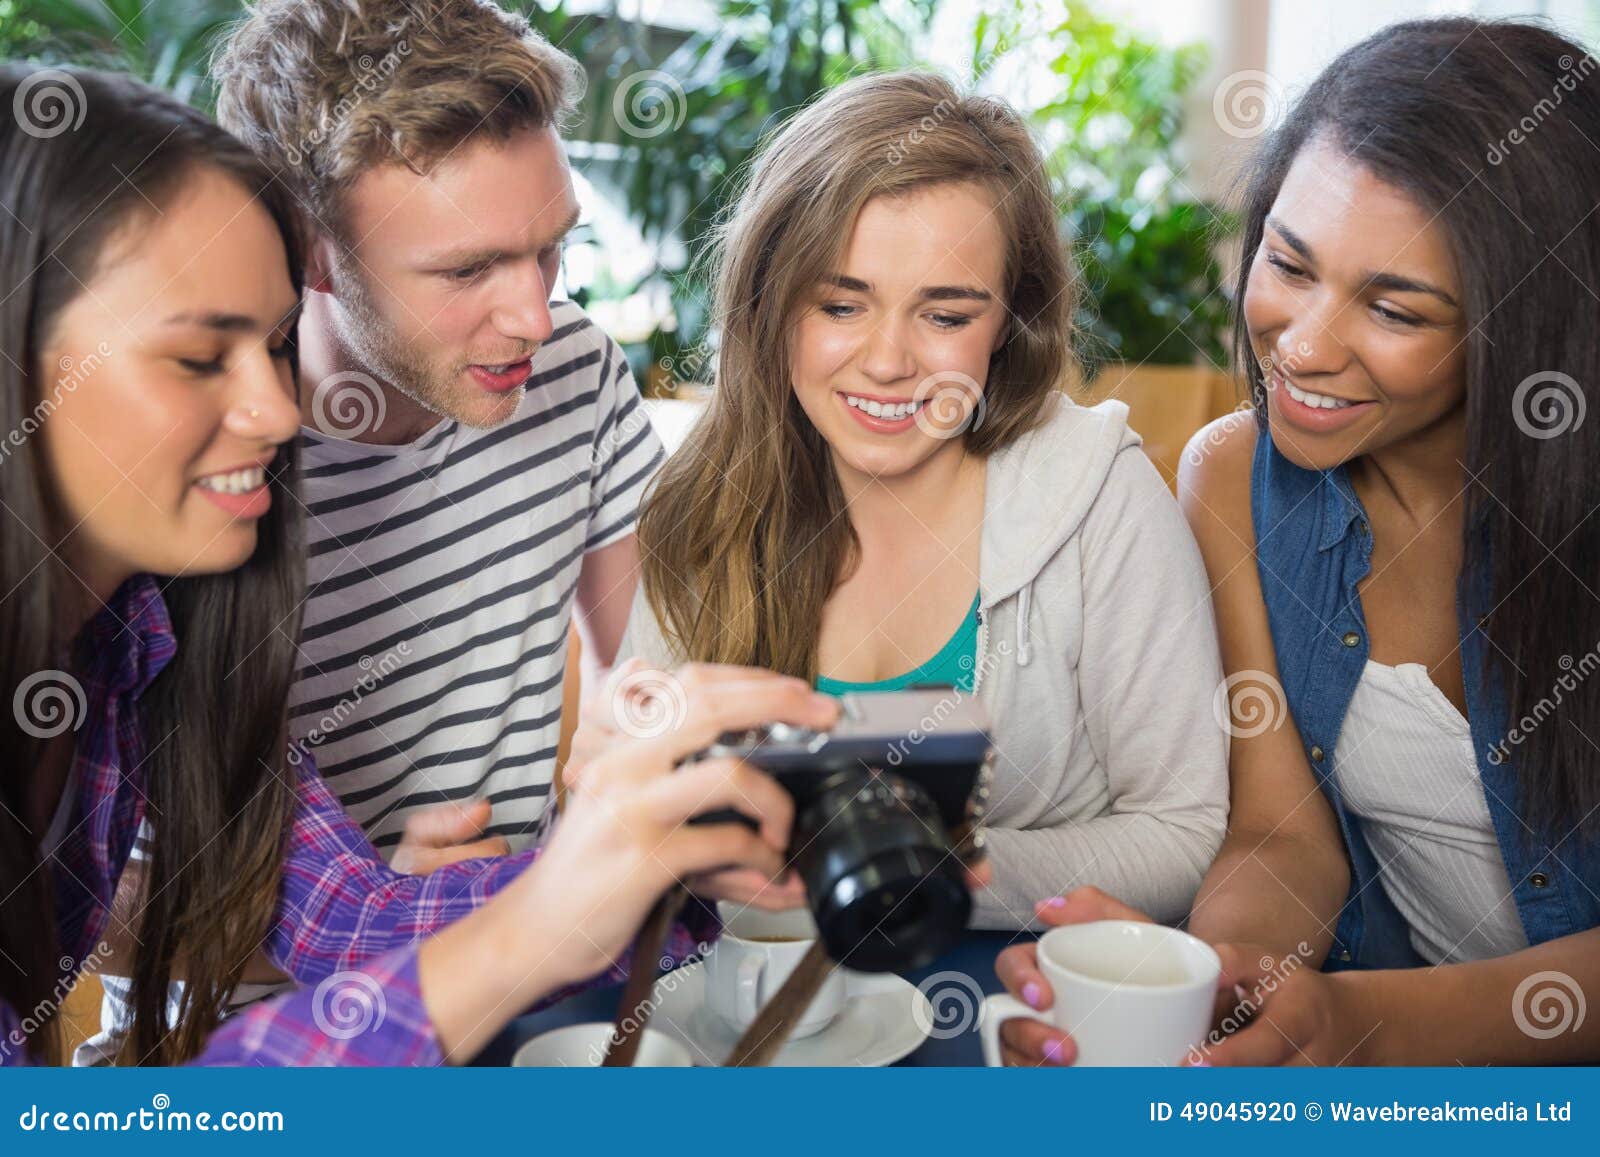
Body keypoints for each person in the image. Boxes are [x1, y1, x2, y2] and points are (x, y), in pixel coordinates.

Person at [0, 64, 837, 1066]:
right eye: (194, 359)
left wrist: (642, 866)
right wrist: (539, 925)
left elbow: (340, 908)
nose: (274, 413)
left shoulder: (142, 629)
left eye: (270, 347)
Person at [994, 17, 1600, 1066]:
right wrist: (1211, 977)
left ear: (1532, 325)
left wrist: (1363, 1023)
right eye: (1287, 261)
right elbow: (1282, 837)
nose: (1303, 343)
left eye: (1396, 308)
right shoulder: (1231, 480)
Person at [617, 71, 1229, 930]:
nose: (888, 361)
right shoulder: (702, 505)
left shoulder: (1101, 495)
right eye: (841, 304)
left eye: (945, 316)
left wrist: (906, 869)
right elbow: (631, 815)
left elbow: (1186, 830)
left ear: (1012, 322)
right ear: (769, 304)